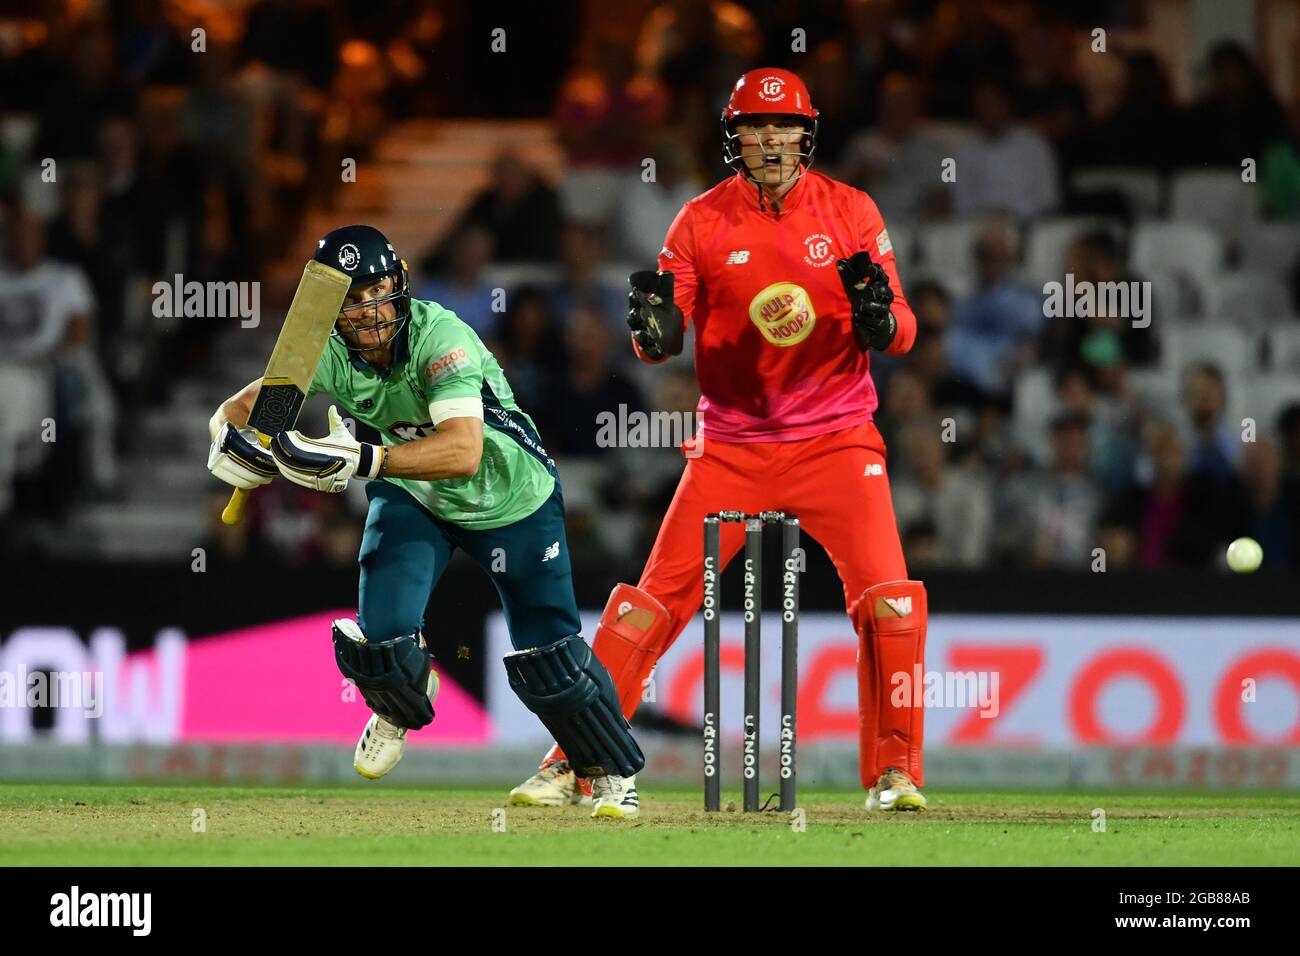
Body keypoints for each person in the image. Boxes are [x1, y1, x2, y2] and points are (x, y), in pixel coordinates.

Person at [509, 68, 928, 812]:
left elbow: (903, 330)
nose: (770, 141)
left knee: (892, 604)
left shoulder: (852, 210)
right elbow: (660, 342)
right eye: (754, 129)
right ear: (734, 138)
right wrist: (653, 332)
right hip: (733, 446)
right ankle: (575, 762)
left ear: (807, 134)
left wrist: (881, 322)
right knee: (646, 608)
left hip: (837, 440)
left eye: (784, 128)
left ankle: (896, 775)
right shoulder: (699, 221)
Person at [206, 225, 643, 819]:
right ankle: (399, 701)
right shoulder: (322, 349)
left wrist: (362, 458)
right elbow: (246, 411)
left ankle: (611, 772)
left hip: (511, 495)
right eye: (351, 299)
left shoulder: (442, 338)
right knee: (380, 638)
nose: (366, 311)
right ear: (329, 309)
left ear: (400, 285)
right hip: (415, 494)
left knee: (551, 662)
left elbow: (462, 452)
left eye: (376, 292)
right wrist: (229, 442)